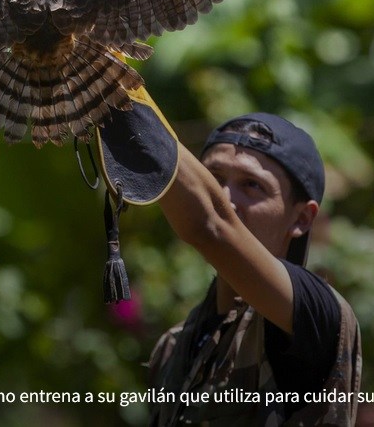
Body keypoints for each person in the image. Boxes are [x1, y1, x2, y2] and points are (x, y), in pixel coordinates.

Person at [143, 113, 362, 426]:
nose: (225, 199)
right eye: (214, 179)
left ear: (302, 219)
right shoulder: (173, 348)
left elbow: (211, 225)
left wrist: (120, 102)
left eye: (252, 185)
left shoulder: (315, 315)